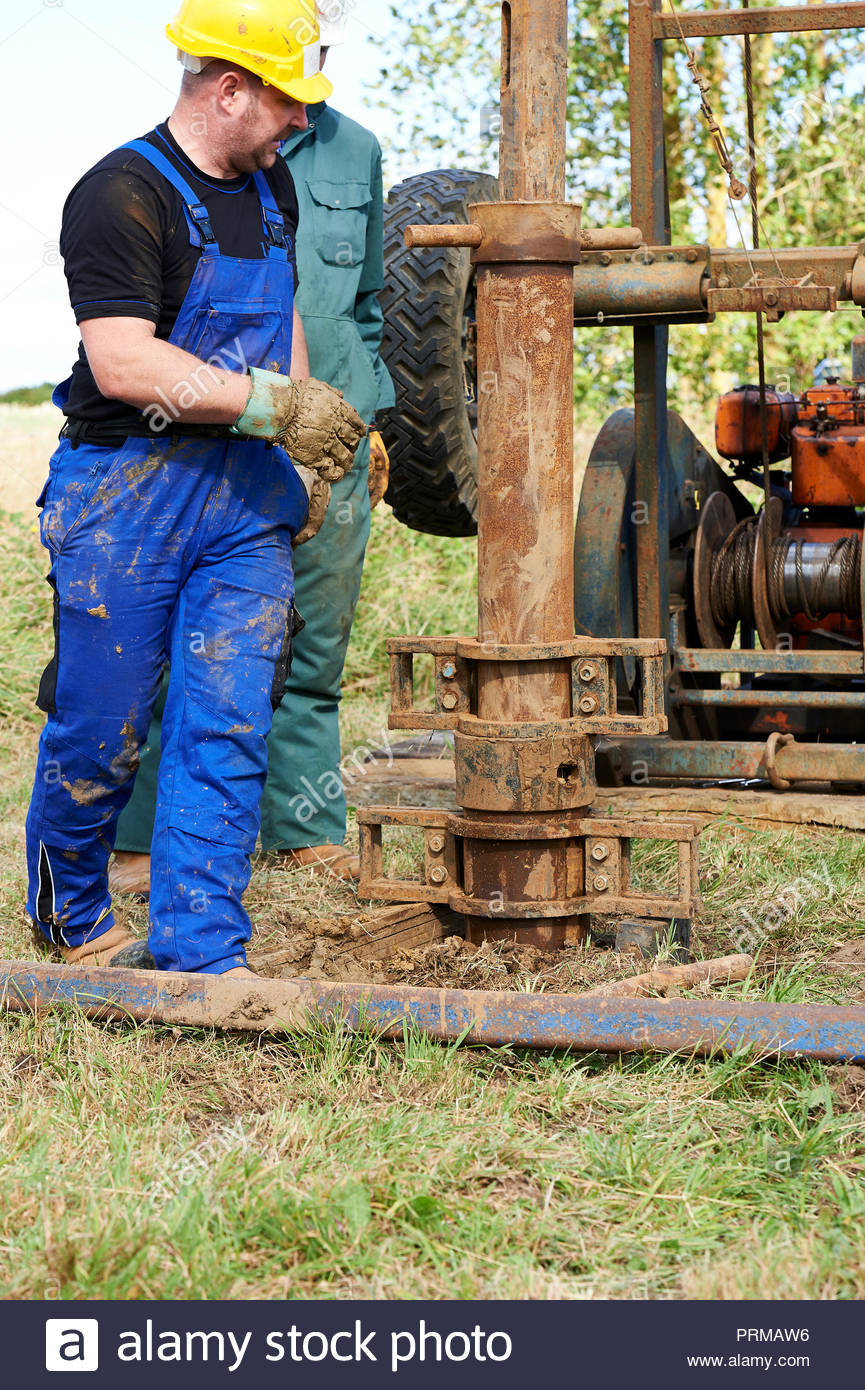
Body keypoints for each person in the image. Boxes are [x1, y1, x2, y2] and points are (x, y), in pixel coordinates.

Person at [25, 0, 364, 976]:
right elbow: (127, 362)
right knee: (103, 726)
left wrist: (298, 449)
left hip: (243, 501)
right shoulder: (119, 195)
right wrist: (273, 407)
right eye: (289, 101)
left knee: (226, 721)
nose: (302, 121)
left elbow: (282, 314)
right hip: (125, 495)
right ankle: (73, 916)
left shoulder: (272, 191)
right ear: (229, 89)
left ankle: (201, 952)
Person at [111, 1, 394, 889]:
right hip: (204, 439)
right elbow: (133, 335)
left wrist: (365, 416)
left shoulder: (356, 153)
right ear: (231, 77)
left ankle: (303, 818)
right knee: (176, 646)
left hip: (328, 436)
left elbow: (367, 309)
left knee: (312, 645)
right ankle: (135, 836)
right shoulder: (168, 168)